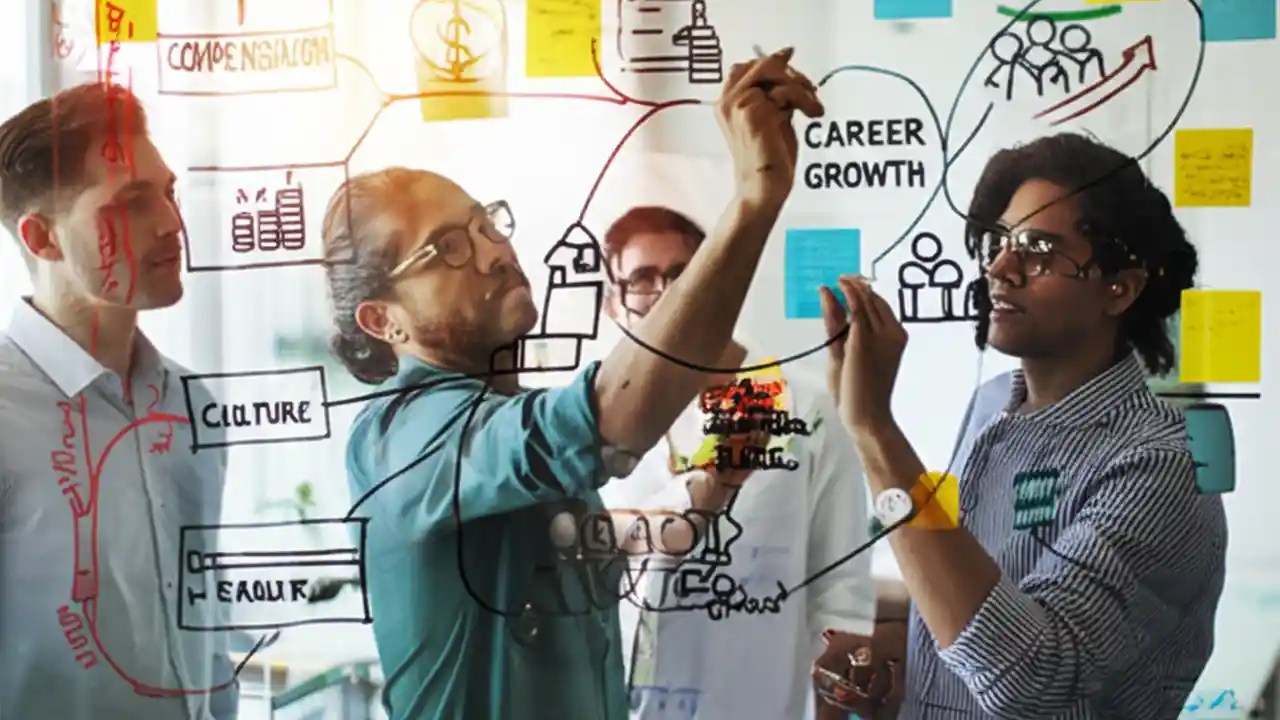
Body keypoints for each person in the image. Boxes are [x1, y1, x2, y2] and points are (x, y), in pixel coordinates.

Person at [319, 48, 824, 720]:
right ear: (384, 320)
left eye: (487, 225)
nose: (496, 250)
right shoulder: (397, 436)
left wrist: (721, 477)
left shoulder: (508, 423)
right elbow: (608, 422)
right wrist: (754, 199)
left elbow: (612, 532)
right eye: (449, 248)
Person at [814, 132, 1225, 718]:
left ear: (1120, 288)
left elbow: (1028, 677)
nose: (1001, 268)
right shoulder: (990, 407)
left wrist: (876, 432)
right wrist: (900, 668)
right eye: (999, 243)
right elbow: (970, 594)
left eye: (1039, 249)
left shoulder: (1160, 464)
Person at [0, 82, 239, 718]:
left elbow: (204, 619)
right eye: (133, 202)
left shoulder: (192, 404)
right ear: (42, 238)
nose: (170, 223)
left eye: (166, 193)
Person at [595, 204, 875, 720]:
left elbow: (842, 590)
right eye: (641, 279)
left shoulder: (803, 407)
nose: (666, 294)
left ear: (718, 284)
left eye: (684, 275)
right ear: (613, 303)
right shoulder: (589, 422)